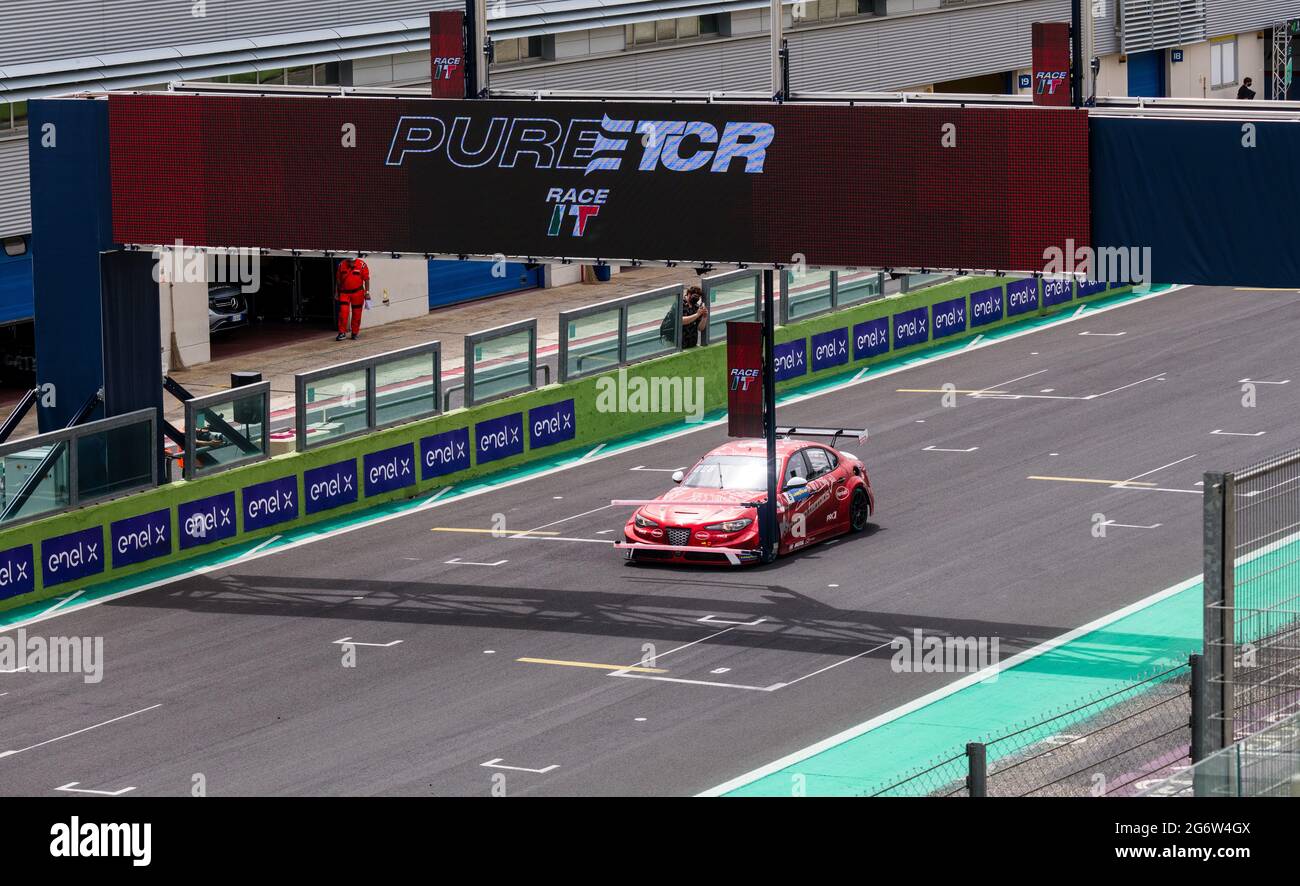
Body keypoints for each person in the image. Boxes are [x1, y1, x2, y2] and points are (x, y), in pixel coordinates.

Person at [334, 256, 370, 341]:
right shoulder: (341, 265)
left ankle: (355, 333)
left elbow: (366, 279)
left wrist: (367, 293)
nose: (351, 263)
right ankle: (342, 332)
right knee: (343, 312)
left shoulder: (362, 265)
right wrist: (336, 292)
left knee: (357, 313)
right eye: (349, 262)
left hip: (358, 293)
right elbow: (338, 280)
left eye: (353, 262)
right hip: (344, 293)